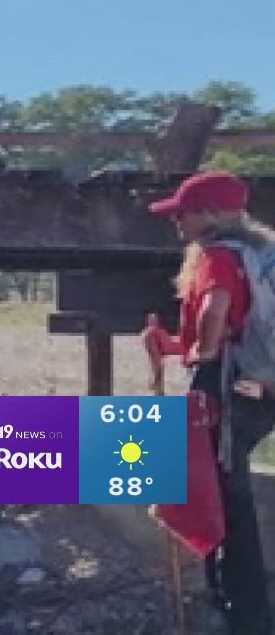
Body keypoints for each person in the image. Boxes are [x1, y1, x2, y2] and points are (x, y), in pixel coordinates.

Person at [142, 170, 275, 634]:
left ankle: (245, 614)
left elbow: (215, 310)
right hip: (257, 382)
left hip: (223, 383)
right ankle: (237, 606)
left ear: (212, 215)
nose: (176, 220)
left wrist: (203, 350)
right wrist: (173, 344)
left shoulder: (217, 256)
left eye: (184, 212)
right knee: (224, 491)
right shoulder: (259, 255)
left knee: (222, 496)